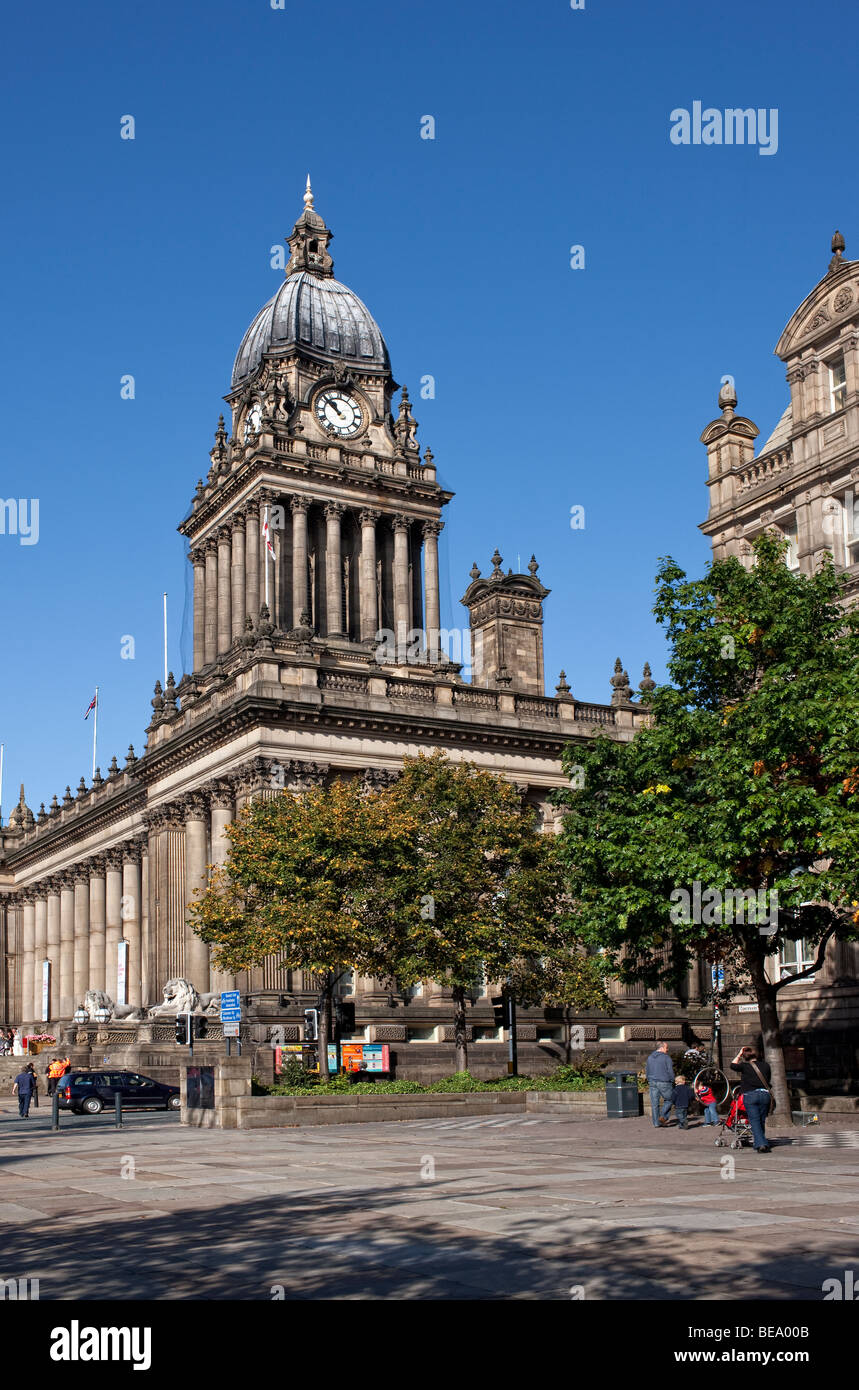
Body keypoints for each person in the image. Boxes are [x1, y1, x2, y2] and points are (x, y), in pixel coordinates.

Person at [730, 1046, 773, 1152]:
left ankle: (762, 1144)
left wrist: (739, 1054)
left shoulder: (744, 1066)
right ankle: (759, 1142)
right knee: (761, 1120)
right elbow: (768, 1079)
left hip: (750, 1096)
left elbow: (732, 1065)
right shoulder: (766, 1066)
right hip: (764, 1095)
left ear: (745, 1057)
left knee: (754, 1121)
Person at [645, 1041, 675, 1128]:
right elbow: (670, 1071)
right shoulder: (666, 1058)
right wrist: (672, 1080)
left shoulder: (650, 1057)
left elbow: (647, 1070)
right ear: (661, 1048)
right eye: (666, 1048)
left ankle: (656, 1123)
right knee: (670, 1099)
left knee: (655, 1103)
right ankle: (663, 1117)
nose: (667, 1049)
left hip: (652, 1082)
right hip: (664, 1081)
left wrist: (649, 1079)